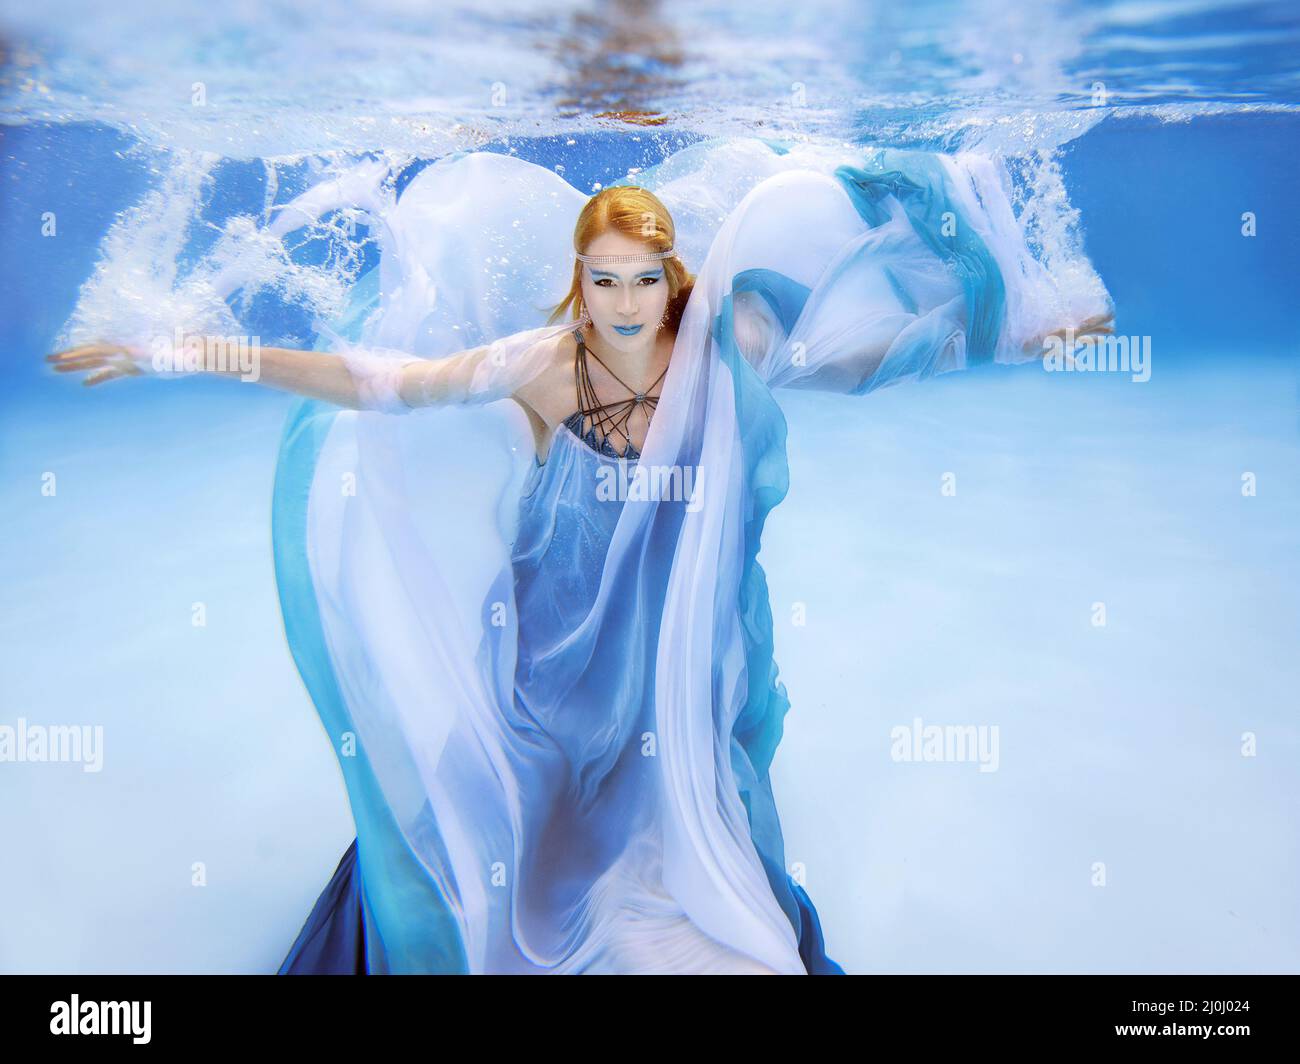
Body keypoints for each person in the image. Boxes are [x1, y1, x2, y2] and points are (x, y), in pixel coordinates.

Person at [47, 141, 1113, 974]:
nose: (621, 305)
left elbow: (859, 357)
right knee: (516, 888)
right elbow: (373, 380)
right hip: (545, 673)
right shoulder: (544, 365)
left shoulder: (720, 355)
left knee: (696, 887)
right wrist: (181, 349)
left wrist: (1022, 335)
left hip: (666, 686)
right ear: (581, 285)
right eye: (601, 283)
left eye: (641, 282)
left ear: (669, 279)